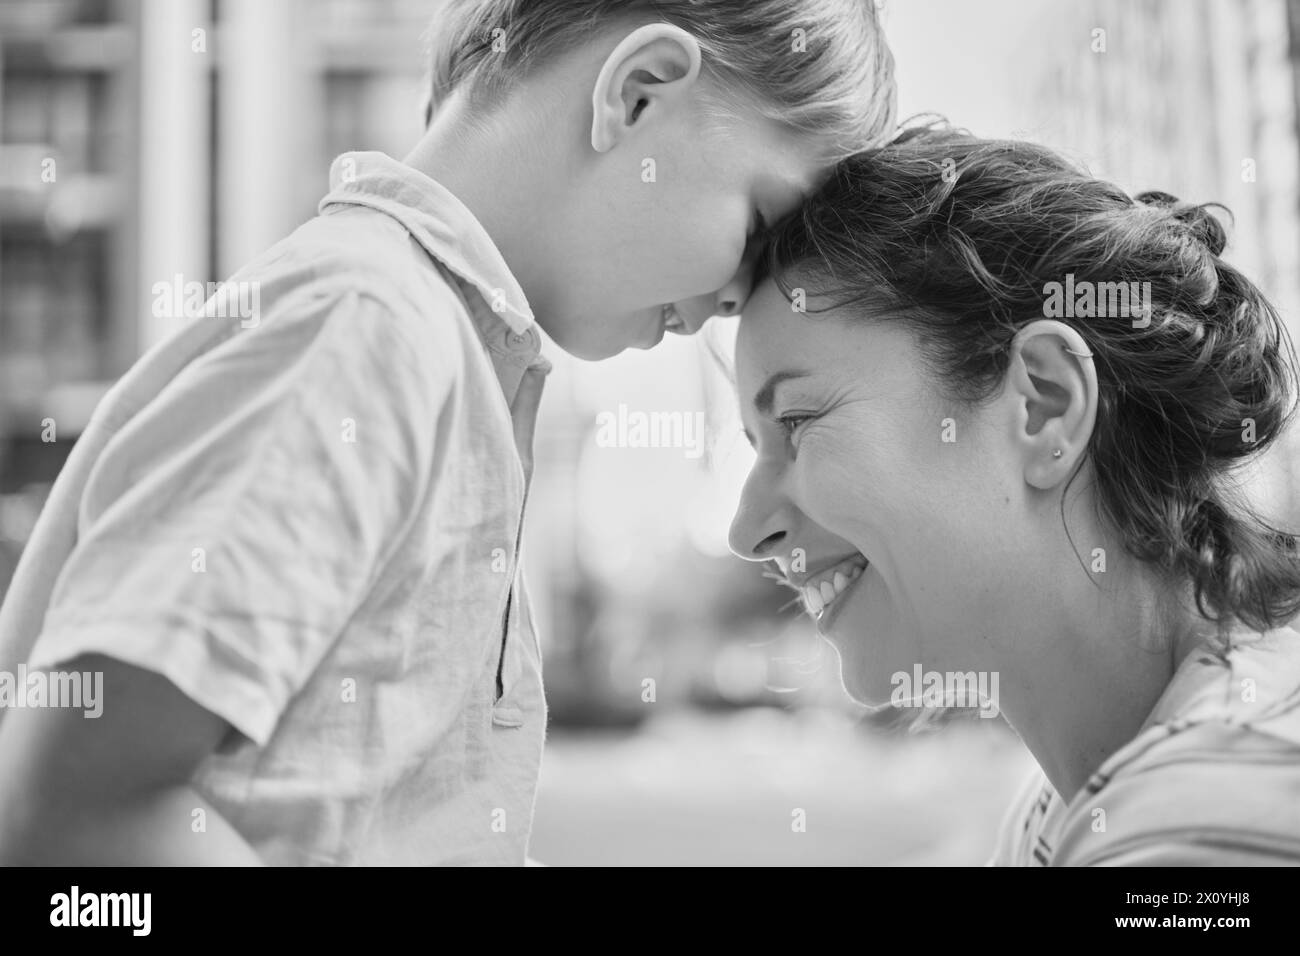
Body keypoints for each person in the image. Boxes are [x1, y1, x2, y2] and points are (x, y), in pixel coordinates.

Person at [0, 0, 896, 865]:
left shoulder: (446, 356)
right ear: (639, 92)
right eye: (759, 226)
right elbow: (70, 820)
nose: (742, 296)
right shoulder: (368, 330)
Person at [728, 124, 1300, 865]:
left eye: (799, 422)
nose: (746, 530)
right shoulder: (1069, 811)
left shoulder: (1203, 821)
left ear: (1044, 405)